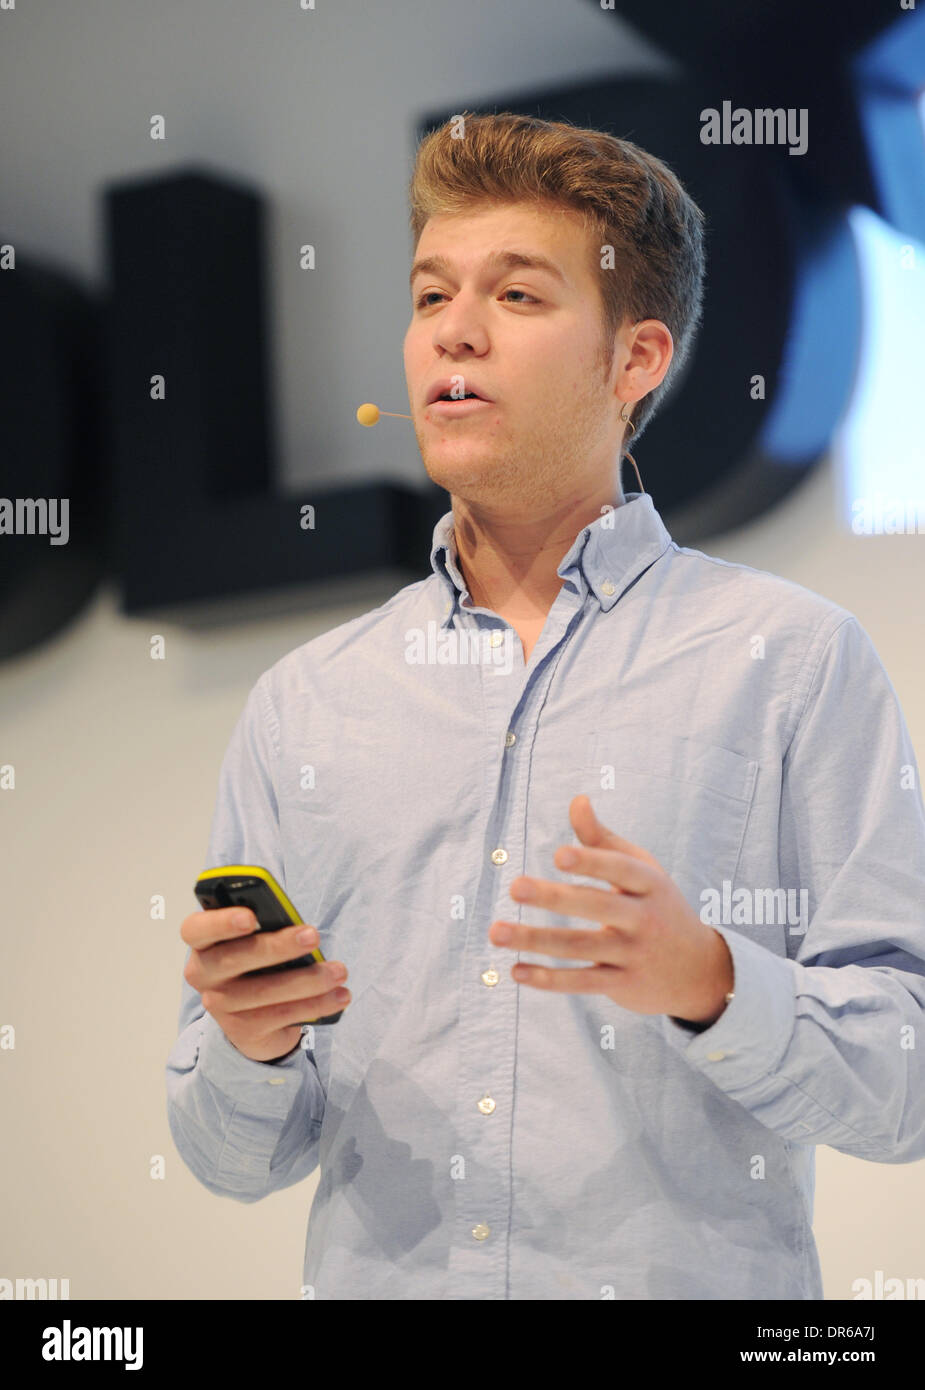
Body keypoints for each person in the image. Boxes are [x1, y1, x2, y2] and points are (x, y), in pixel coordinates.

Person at [166, 111, 925, 1300]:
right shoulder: (303, 707)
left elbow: (905, 1083)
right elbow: (225, 1159)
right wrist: (253, 1045)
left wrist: (712, 981)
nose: (452, 332)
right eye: (429, 297)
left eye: (518, 297)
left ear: (635, 361)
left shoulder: (790, 660)